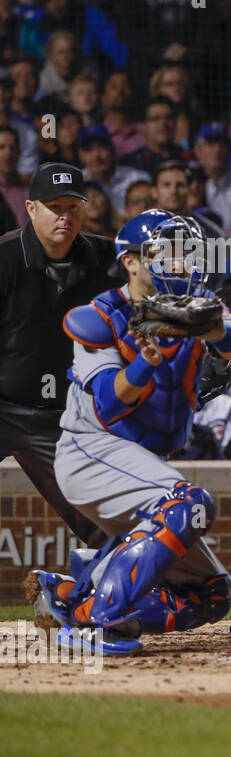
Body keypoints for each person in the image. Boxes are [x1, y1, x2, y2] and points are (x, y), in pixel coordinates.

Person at [29, 209, 231, 656]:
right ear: (131, 261)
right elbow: (110, 404)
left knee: (209, 594)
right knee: (190, 505)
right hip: (92, 450)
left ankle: (73, 592)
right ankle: (96, 622)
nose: (179, 262)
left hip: (143, 463)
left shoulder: (198, 303)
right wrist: (143, 363)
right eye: (165, 253)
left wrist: (193, 323)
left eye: (185, 253)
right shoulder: (101, 315)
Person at [0, 163, 118, 549]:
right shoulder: (4, 258)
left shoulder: (108, 258)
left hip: (60, 416)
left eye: (73, 207)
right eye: (55, 207)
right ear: (31, 208)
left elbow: (152, 284)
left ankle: (123, 598)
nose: (65, 217)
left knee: (100, 517)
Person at [75, 123, 148, 214]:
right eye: (89, 150)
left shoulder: (137, 178)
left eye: (102, 147)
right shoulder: (75, 184)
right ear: (80, 155)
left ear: (112, 149)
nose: (96, 155)